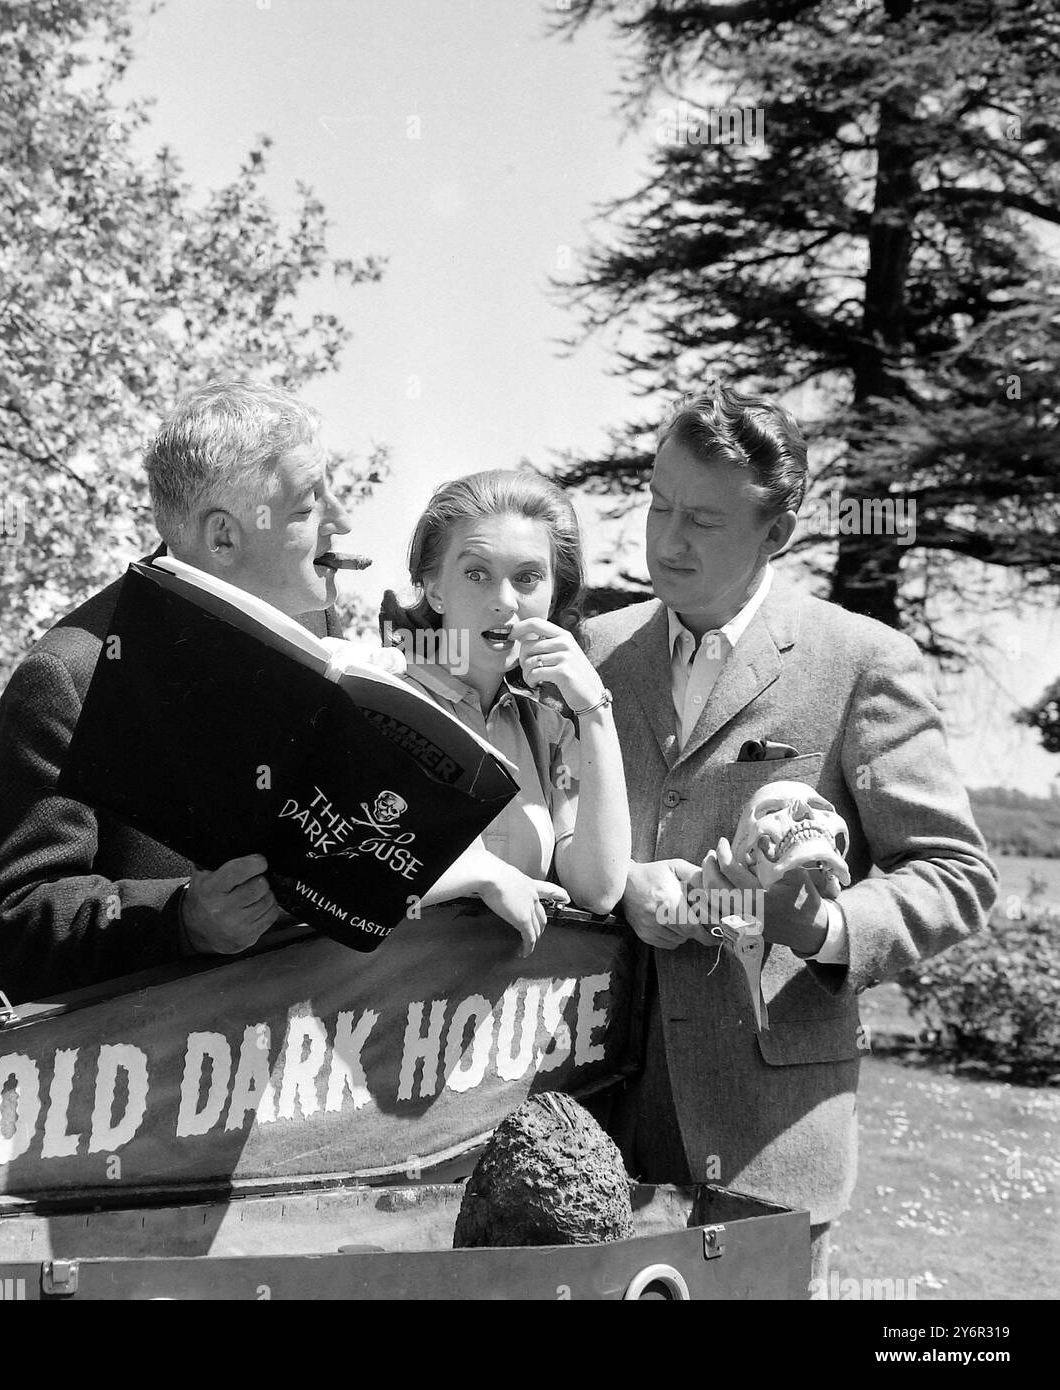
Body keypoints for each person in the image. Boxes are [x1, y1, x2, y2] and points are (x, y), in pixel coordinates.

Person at [582, 385, 998, 1290]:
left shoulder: (861, 662)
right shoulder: (594, 652)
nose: (667, 539)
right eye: (656, 504)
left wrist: (821, 929)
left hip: (768, 1138)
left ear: (779, 532)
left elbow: (957, 875)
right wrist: (625, 883)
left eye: (702, 518)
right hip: (588, 1115)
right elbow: (552, 833)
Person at [0, 381, 357, 1004]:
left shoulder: (328, 643)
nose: (342, 520)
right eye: (310, 504)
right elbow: (10, 921)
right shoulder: (69, 676)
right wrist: (181, 917)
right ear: (224, 537)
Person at [380, 470, 632, 955]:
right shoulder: (380, 699)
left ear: (553, 596)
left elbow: (597, 890)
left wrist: (595, 710)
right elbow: (338, 866)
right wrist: (480, 875)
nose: (504, 601)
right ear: (434, 589)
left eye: (528, 578)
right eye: (477, 574)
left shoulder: (550, 728)